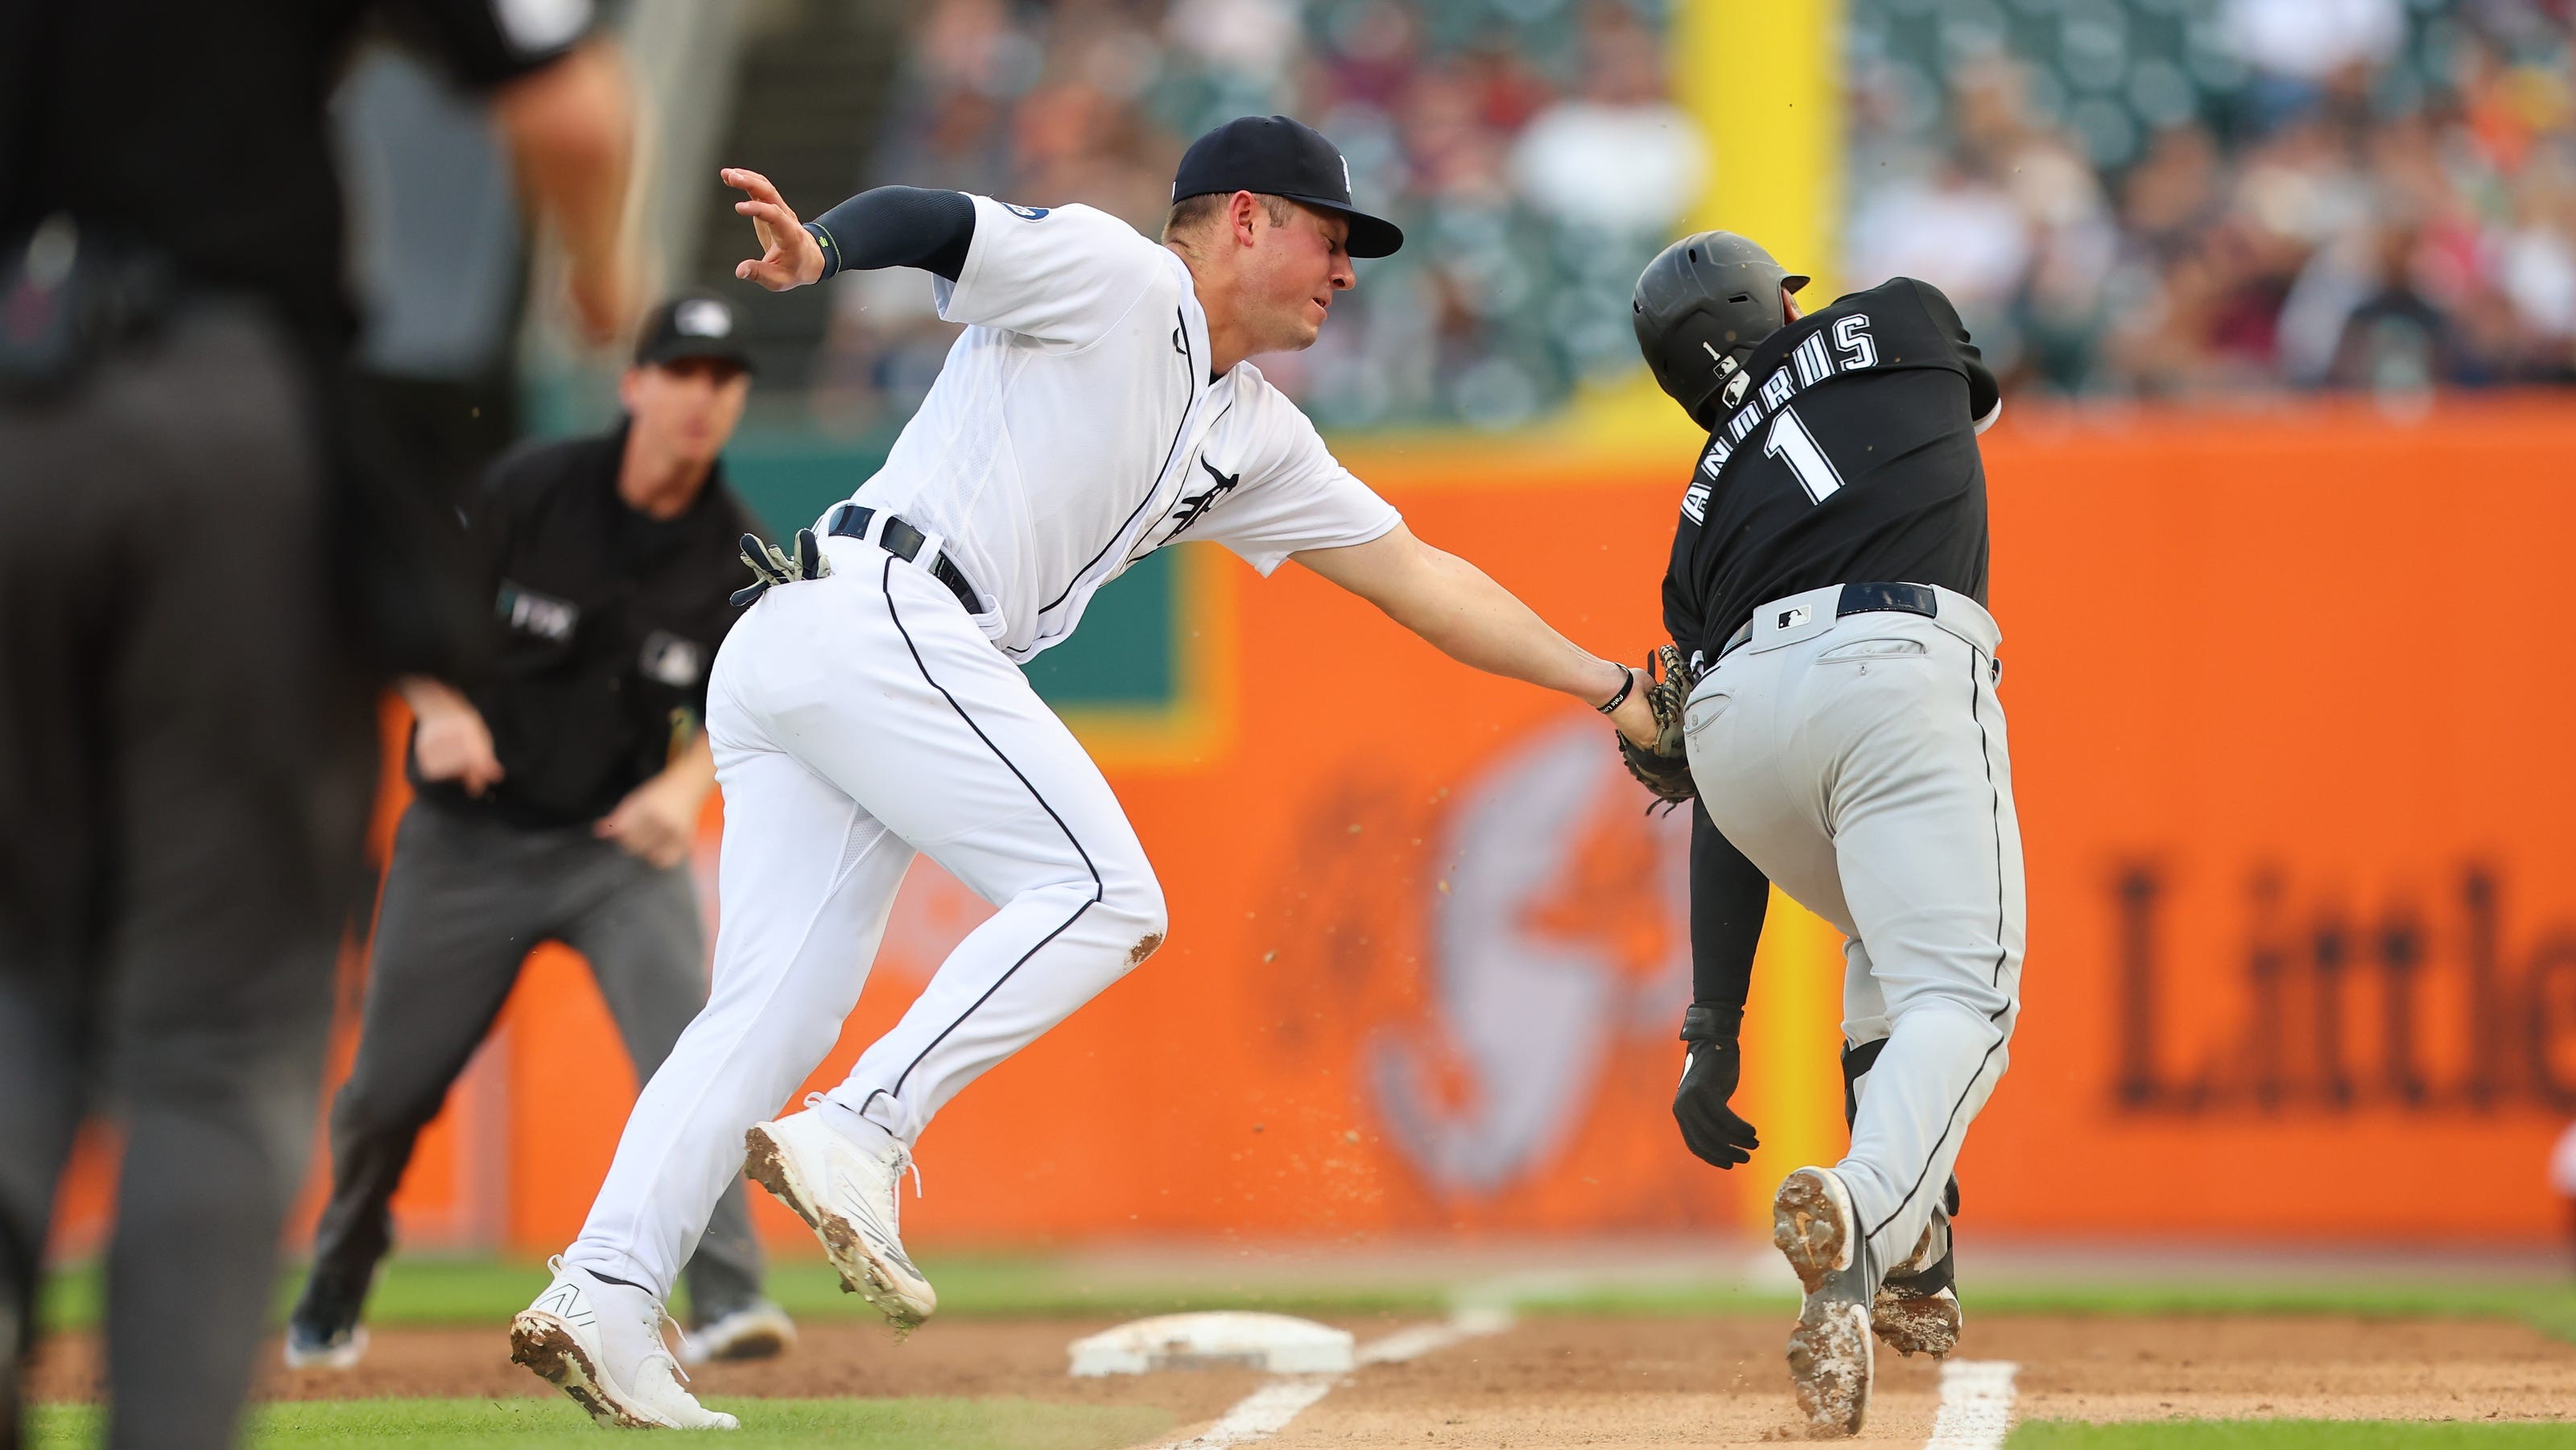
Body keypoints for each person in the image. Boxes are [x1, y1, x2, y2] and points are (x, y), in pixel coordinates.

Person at [506, 114, 1667, 1430]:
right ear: (1242, 217)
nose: (1348, 271)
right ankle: (865, 1129)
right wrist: (822, 250)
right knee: (1107, 895)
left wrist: (1611, 687)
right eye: (1330, 237)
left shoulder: (1255, 433)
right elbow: (939, 217)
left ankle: (604, 1286)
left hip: (819, 641)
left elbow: (1422, 581)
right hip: (882, 610)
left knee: (767, 1016)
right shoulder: (1123, 277)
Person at [0, 4, 634, 1448]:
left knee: (14, 978)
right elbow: (571, 111)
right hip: (222, 410)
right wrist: (605, 270)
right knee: (216, 1031)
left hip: (14, 420)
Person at [286, 295, 792, 1374]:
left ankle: (729, 1300)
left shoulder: (733, 548)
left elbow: (756, 703)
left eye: (723, 377)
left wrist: (688, 783)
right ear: (636, 384)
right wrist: (439, 704)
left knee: (691, 1066)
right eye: (682, 371)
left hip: (616, 847)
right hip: (468, 843)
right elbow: (405, 608)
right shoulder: (532, 490)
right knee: (387, 1092)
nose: (702, 395)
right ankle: (340, 1270)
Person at [1626, 234, 2019, 1436]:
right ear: (1769, 302)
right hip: (1893, 656)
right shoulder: (1900, 314)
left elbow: (1701, 793)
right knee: (1969, 990)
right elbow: (1970, 408)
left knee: (1887, 940)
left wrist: (1711, 1027)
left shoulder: (1696, 520)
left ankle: (1914, 1248)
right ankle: (1868, 1212)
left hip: (1739, 723)